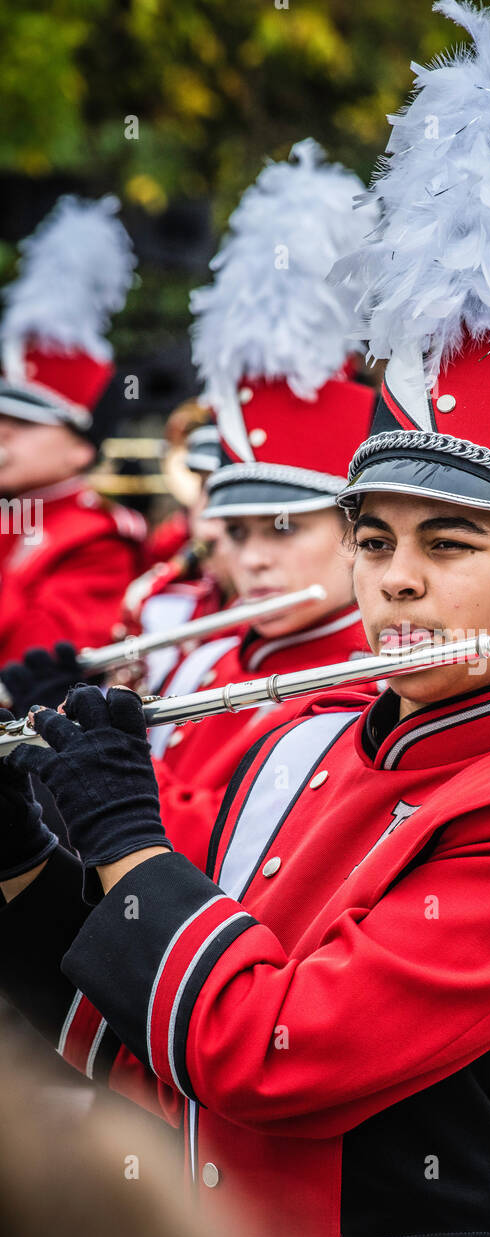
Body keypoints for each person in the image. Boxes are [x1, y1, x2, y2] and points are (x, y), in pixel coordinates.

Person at [0, 1, 490, 1237]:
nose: (395, 574)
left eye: (448, 542)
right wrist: (25, 863)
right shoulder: (304, 747)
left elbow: (273, 1050)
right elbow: (130, 1035)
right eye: (373, 533)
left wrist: (126, 840)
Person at [1, 144, 378, 869]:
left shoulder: (364, 682)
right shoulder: (223, 650)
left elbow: (220, 850)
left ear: (359, 533)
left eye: (280, 526)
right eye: (231, 531)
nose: (250, 555)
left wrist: (98, 773)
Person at [0, 196, 146, 664]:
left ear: (82, 450)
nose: (2, 432)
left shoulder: (96, 539)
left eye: (24, 423)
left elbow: (29, 668)